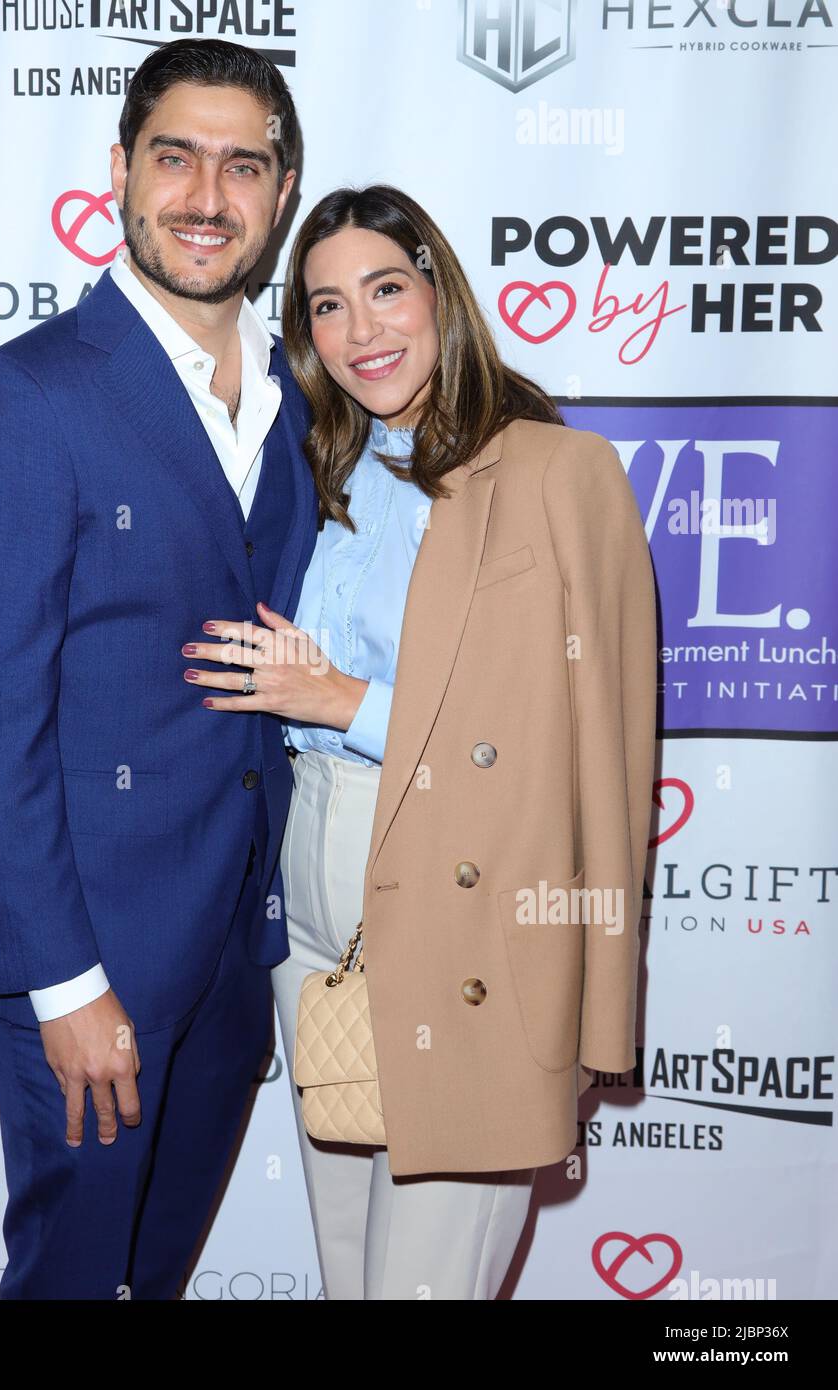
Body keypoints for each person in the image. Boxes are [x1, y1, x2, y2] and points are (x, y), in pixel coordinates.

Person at [180, 184, 658, 1299]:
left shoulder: (555, 472)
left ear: (438, 290)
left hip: (473, 915)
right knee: (348, 1276)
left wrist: (347, 699)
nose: (362, 332)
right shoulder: (319, 473)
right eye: (329, 307)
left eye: (386, 290)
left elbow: (588, 750)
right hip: (311, 923)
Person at [0, 39, 318, 1299]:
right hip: (81, 963)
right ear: (119, 172)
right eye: (176, 157)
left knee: (149, 1281)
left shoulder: (301, 402)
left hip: (226, 958)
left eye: (242, 164)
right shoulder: (30, 394)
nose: (207, 195)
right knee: (76, 1284)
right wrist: (68, 981)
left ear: (283, 188)